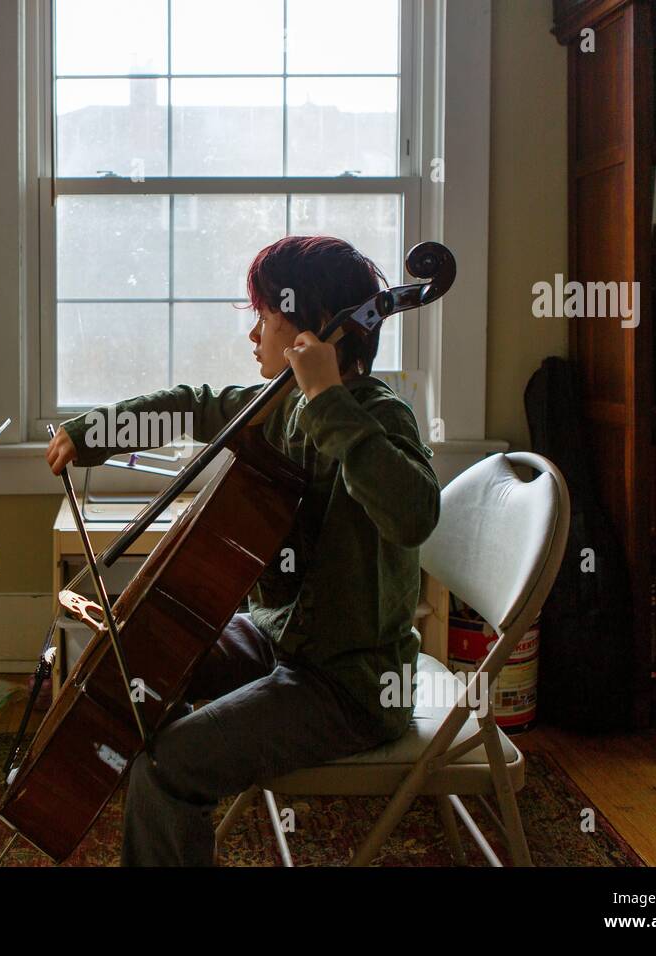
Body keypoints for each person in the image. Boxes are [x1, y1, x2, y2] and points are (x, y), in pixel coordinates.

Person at [45, 235, 441, 866]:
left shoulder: (375, 414)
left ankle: (173, 793)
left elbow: (414, 514)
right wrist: (91, 431)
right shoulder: (276, 404)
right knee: (143, 663)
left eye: (264, 314)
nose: (253, 332)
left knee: (169, 763)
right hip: (280, 640)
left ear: (313, 326)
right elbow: (194, 405)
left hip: (354, 683)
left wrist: (328, 399)